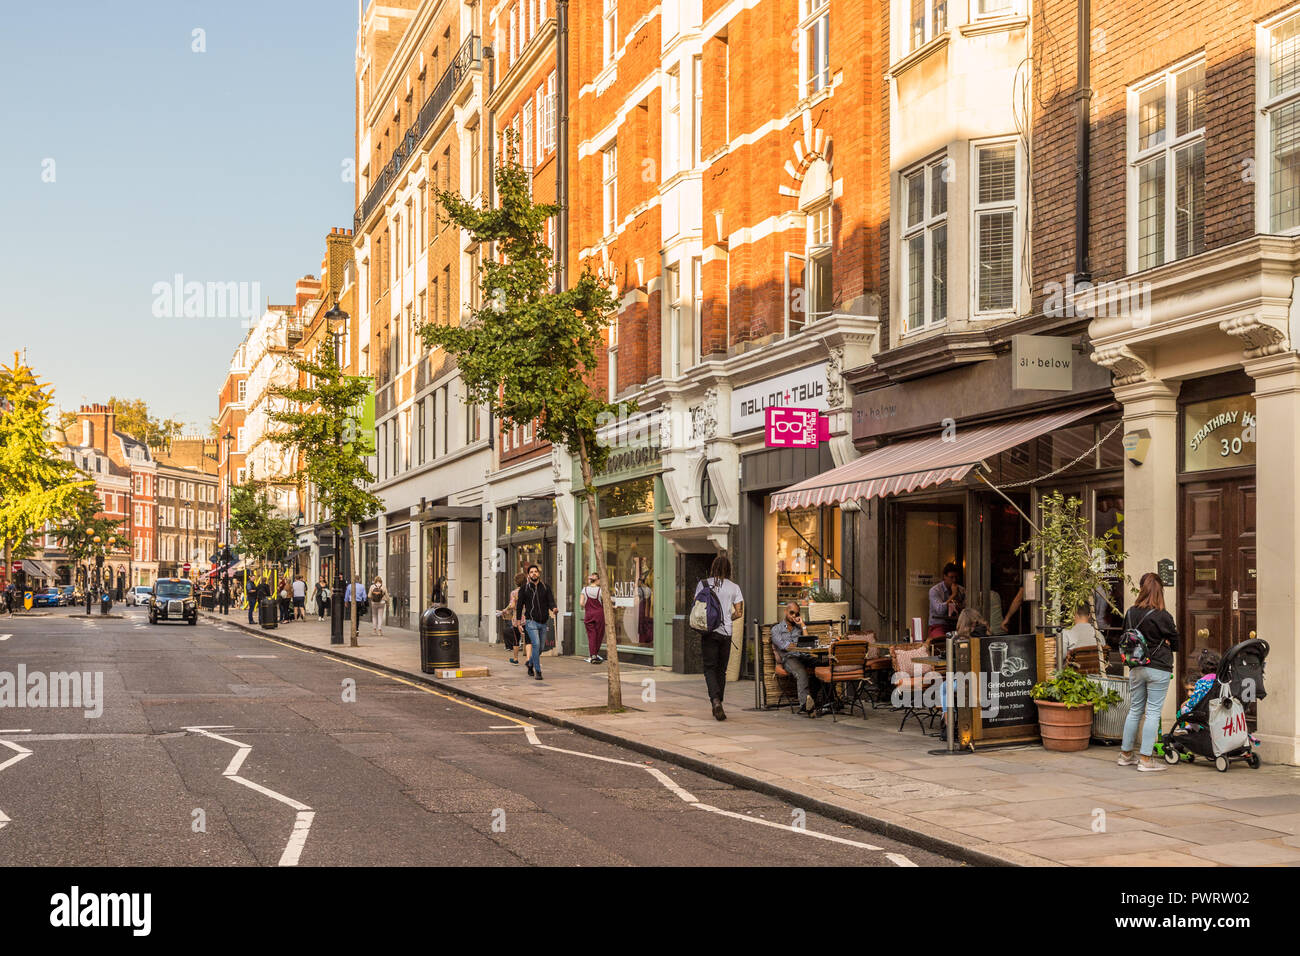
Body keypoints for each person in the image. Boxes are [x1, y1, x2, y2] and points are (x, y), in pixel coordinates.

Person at [1117, 572, 1180, 772]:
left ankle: (1126, 755)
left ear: (1142, 589)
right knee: (1153, 712)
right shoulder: (1163, 615)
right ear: (1160, 591)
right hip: (1158, 667)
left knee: (1135, 710)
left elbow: (1124, 636)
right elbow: (1176, 642)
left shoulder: (1130, 612)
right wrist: (1167, 642)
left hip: (1136, 666)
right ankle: (1146, 759)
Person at [694, 552, 744, 721]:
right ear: (728, 569)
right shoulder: (734, 587)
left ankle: (715, 701)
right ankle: (719, 702)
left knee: (709, 668)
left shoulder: (703, 584)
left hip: (709, 632)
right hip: (726, 634)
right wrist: (728, 618)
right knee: (721, 670)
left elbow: (698, 608)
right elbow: (739, 612)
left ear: (713, 568)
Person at [771, 601, 819, 716]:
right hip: (789, 659)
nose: (794, 616)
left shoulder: (798, 629)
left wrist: (803, 625)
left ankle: (828, 701)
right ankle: (805, 706)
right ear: (785, 611)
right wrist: (798, 646)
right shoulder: (776, 629)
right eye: (791, 612)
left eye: (796, 614)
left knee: (825, 664)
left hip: (803, 656)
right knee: (801, 672)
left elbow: (808, 644)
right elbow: (785, 647)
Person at [514, 563, 557, 680]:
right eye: (531, 572)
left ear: (539, 573)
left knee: (541, 648)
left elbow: (551, 601)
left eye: (535, 571)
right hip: (530, 621)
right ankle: (538, 671)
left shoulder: (545, 587)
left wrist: (554, 608)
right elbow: (519, 606)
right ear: (528, 575)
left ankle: (530, 663)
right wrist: (518, 622)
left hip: (543, 622)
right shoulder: (524, 589)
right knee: (536, 644)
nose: (534, 573)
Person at [1178, 648, 1221, 720]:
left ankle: (1196, 728)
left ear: (1201, 668)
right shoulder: (1221, 680)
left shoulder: (1201, 682)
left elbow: (1195, 700)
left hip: (1203, 712)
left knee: (1184, 710)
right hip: (1218, 710)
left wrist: (1187, 704)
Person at [927, 562, 965, 638]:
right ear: (945, 576)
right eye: (951, 577)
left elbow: (966, 608)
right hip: (938, 625)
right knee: (942, 640)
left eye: (956, 577)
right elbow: (939, 610)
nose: (954, 580)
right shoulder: (935, 590)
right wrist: (953, 595)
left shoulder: (961, 590)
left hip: (955, 625)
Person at [499, 572, 527, 665]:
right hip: (527, 618)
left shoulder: (514, 593)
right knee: (528, 639)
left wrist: (505, 610)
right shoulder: (528, 591)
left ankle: (515, 659)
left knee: (516, 639)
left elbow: (512, 605)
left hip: (517, 619)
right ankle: (529, 659)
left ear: (516, 582)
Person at [580, 573, 606, 664]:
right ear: (598, 580)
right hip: (599, 615)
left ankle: (593, 655)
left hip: (589, 615)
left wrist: (588, 607)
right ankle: (595, 654)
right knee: (599, 635)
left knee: (591, 636)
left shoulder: (585, 589)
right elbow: (606, 601)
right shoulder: (600, 590)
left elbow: (581, 603)